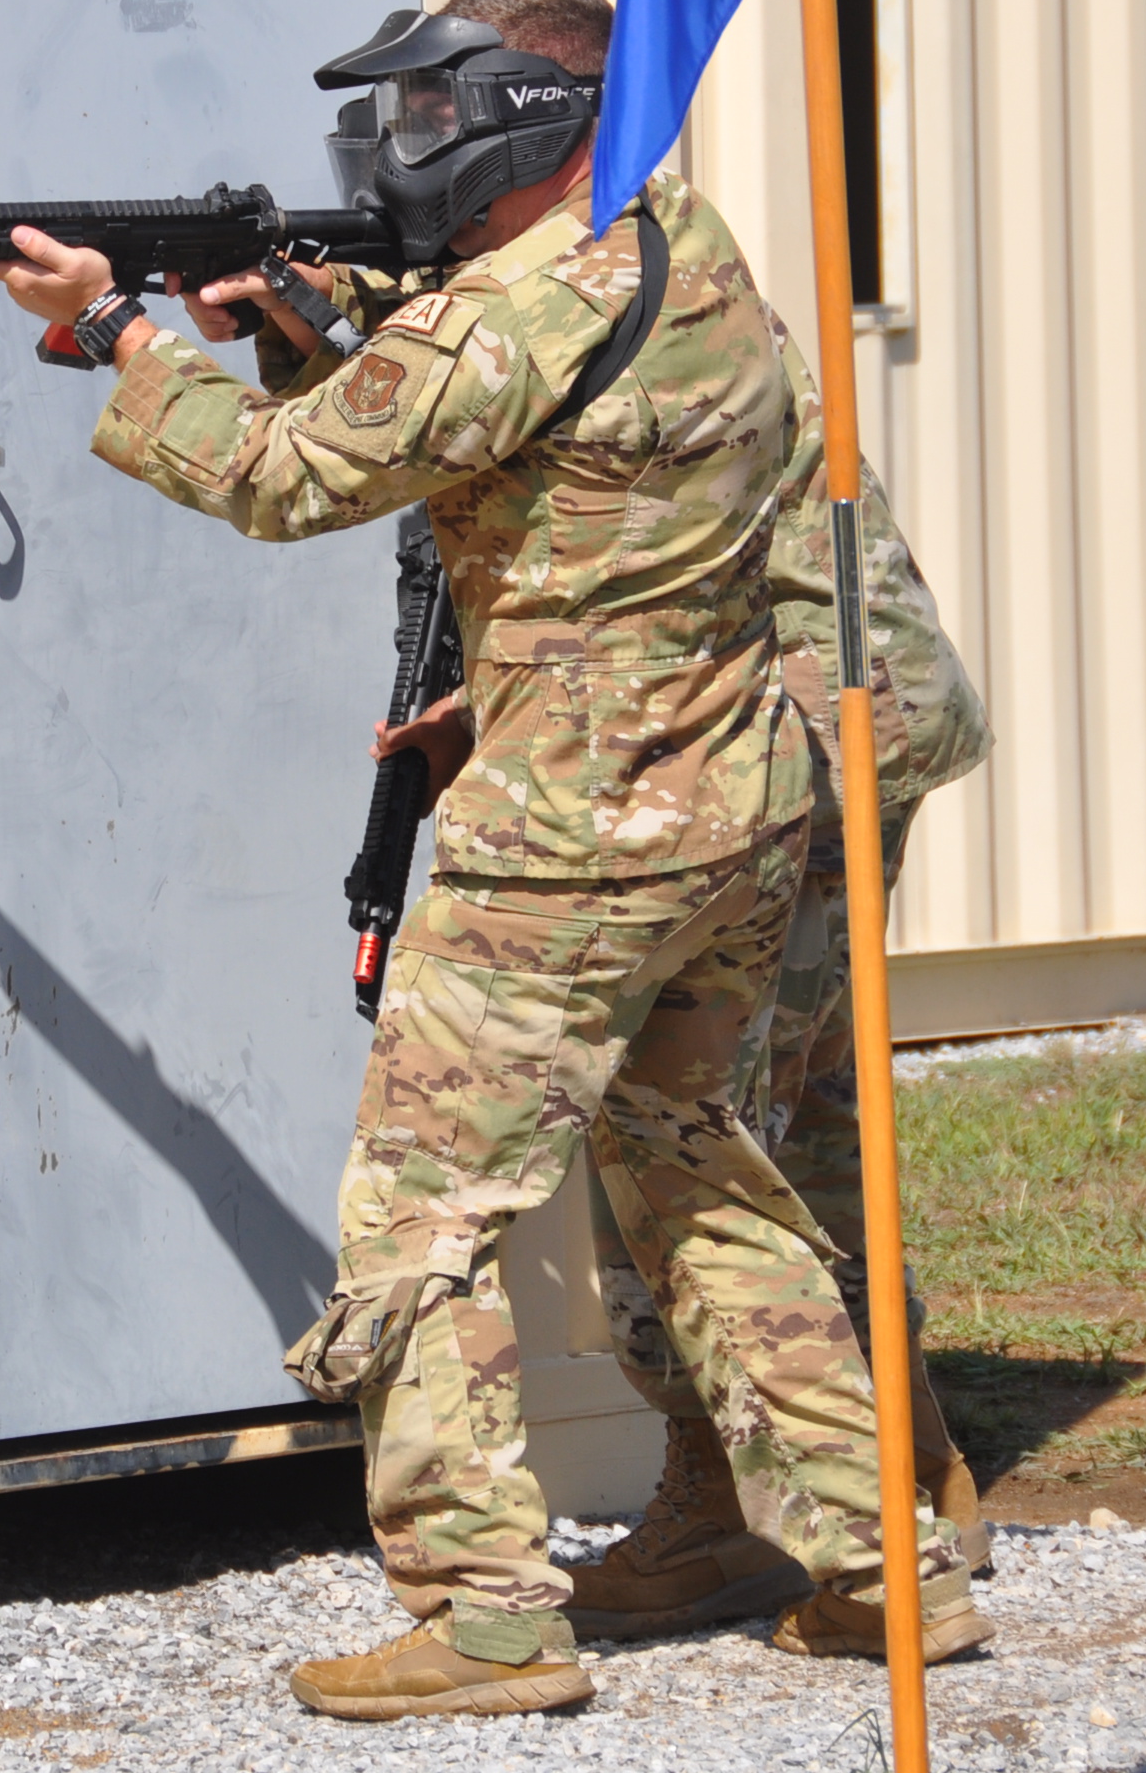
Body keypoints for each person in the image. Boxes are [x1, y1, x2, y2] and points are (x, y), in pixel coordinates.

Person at [0, 0, 980, 1722]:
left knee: (420, 1214)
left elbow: (287, 475)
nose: (406, 151)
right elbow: (524, 451)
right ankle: (878, 1563)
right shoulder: (687, 248)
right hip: (727, 793)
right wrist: (313, 308)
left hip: (570, 834)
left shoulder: (507, 314)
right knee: (695, 1170)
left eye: (438, 120)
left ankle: (485, 1616)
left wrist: (120, 339)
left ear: (535, 120)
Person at [360, 334, 998, 1643]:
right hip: (843, 703)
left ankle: (746, 1521)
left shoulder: (549, 306)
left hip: (779, 728)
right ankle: (913, 1478)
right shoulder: (650, 271)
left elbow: (616, 565)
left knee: (689, 1119)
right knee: (798, 1108)